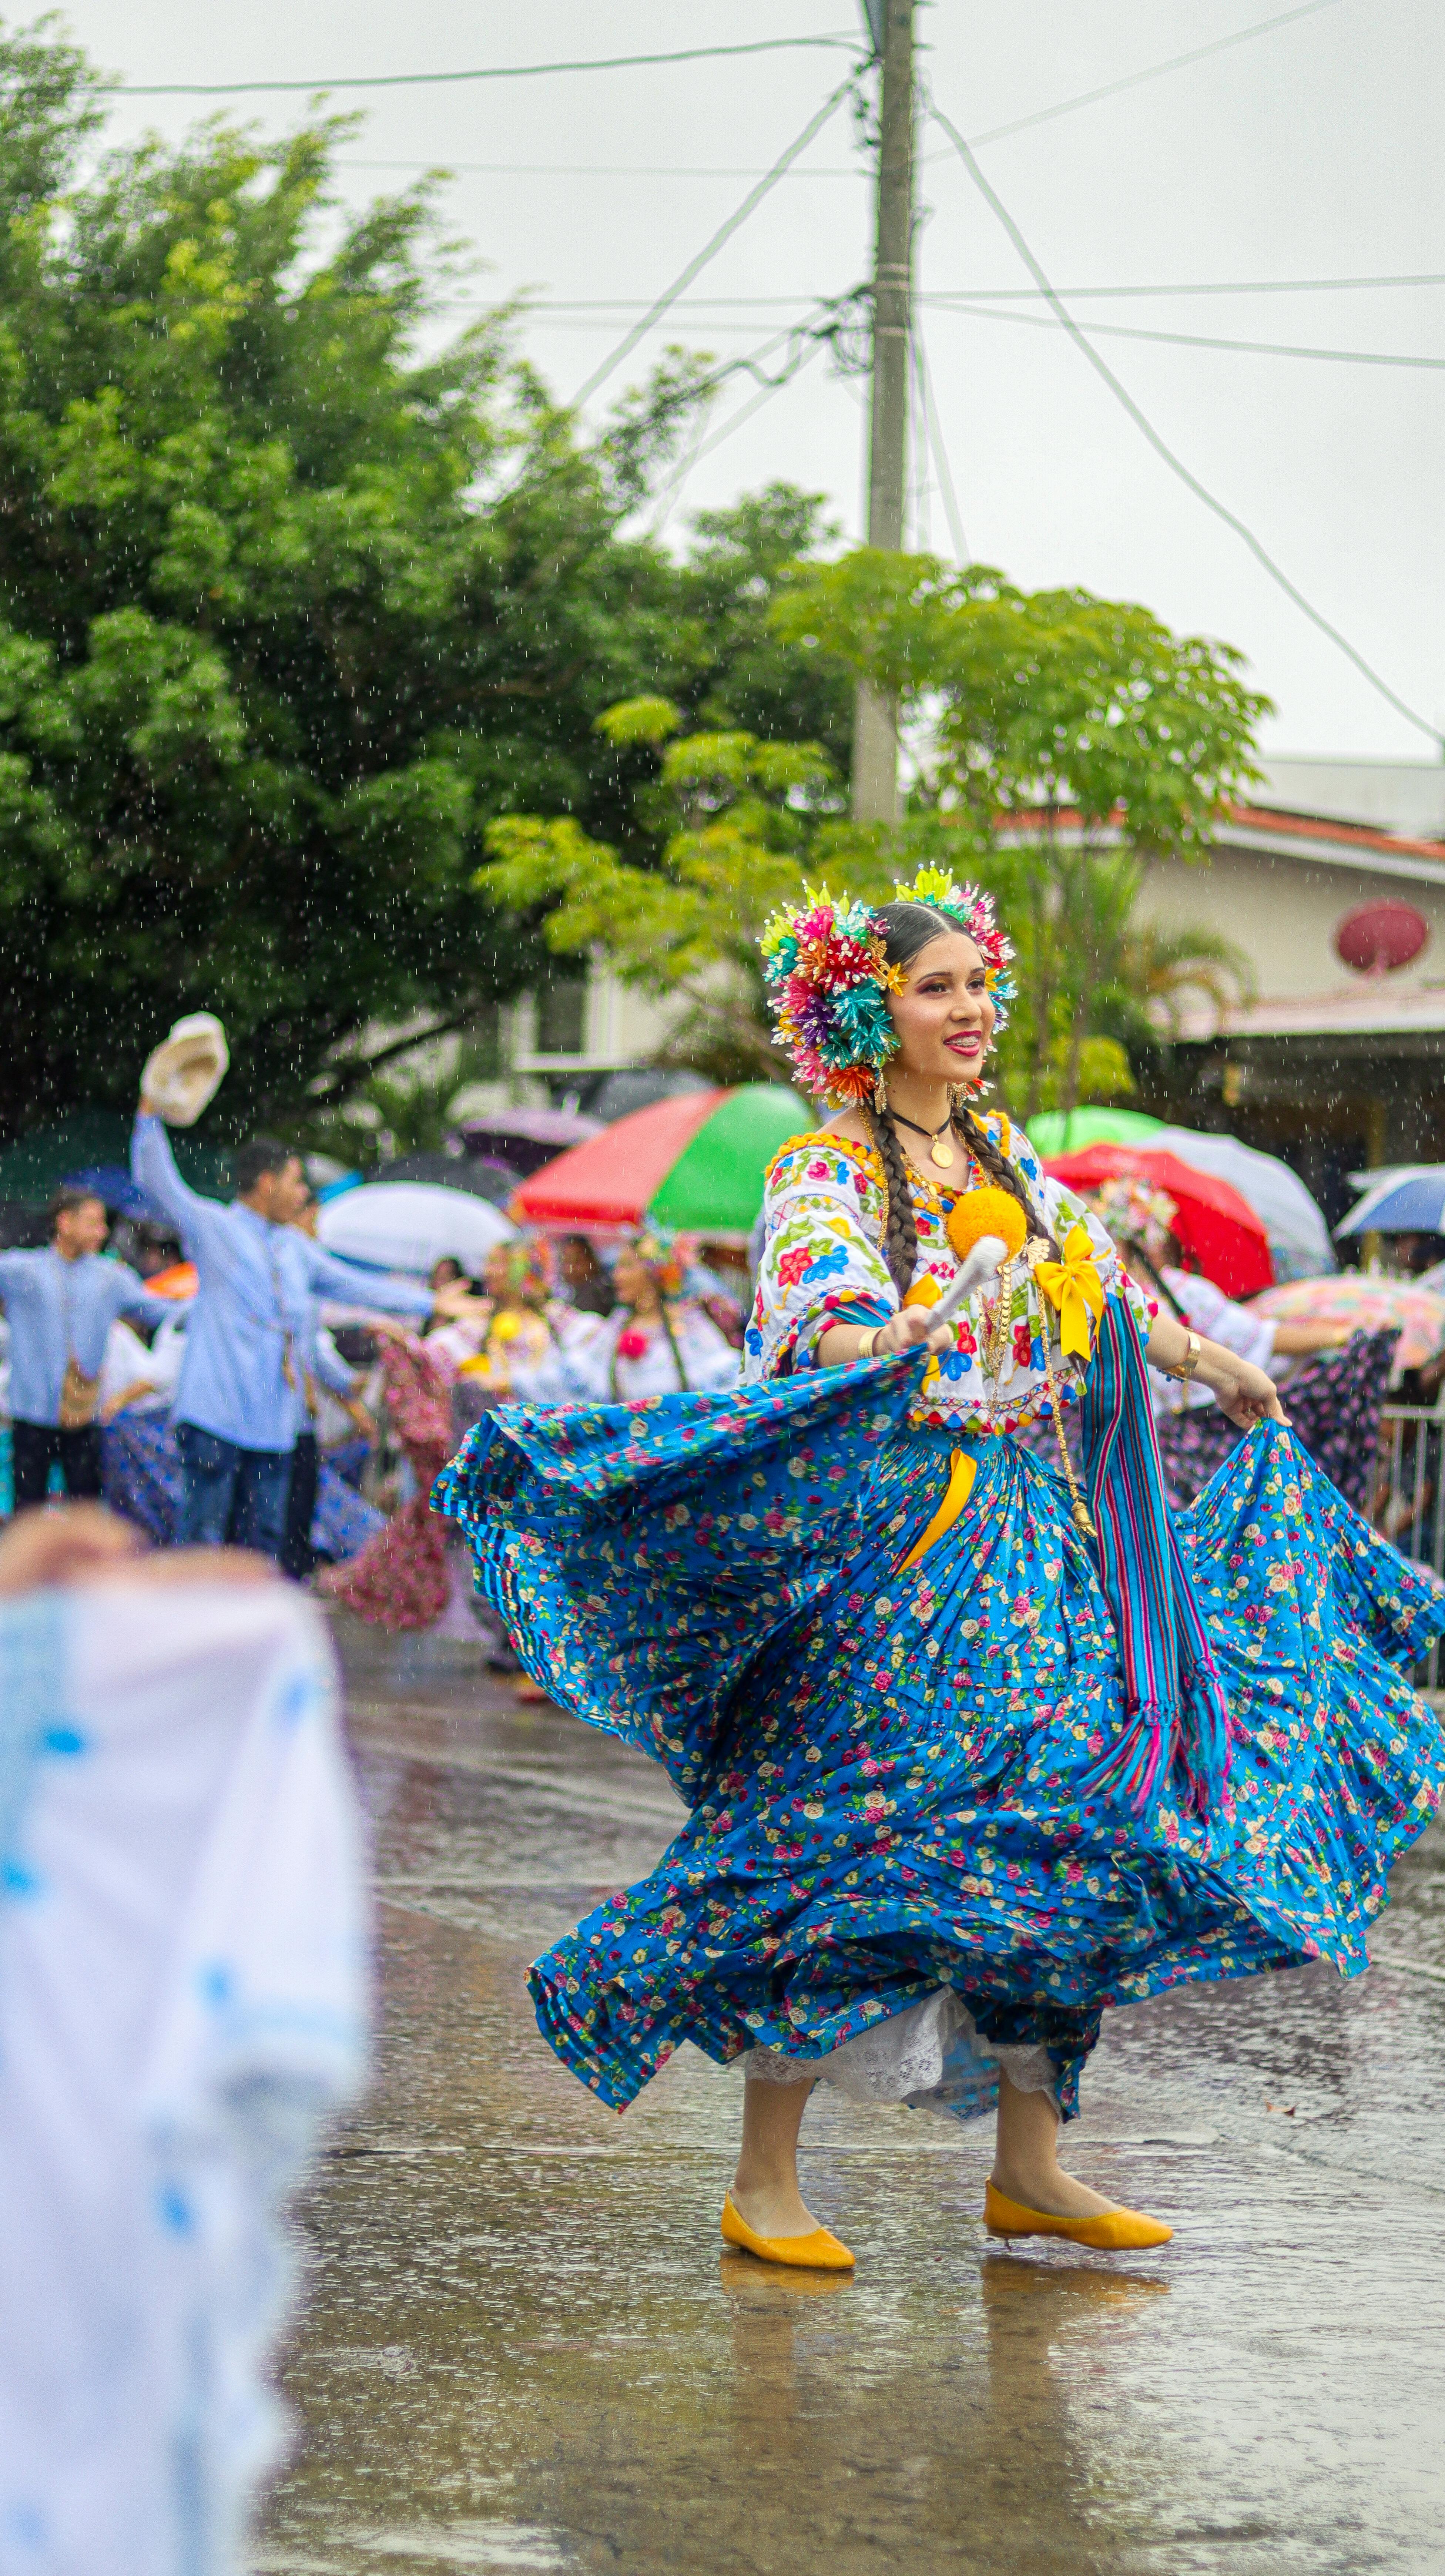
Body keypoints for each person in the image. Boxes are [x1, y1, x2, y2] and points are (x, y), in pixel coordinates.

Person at [436, 868, 1445, 2270]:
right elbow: (821, 1319)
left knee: (1080, 1824)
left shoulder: (1004, 1156)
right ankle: (764, 2176)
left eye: (977, 982)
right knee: (847, 1830)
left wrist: (1204, 1357)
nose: (968, 1008)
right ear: (866, 1007)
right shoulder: (826, 1167)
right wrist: (910, 1320)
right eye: (934, 987)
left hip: (1039, 1538)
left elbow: (1097, 1277)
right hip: (898, 1540)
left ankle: (1029, 2162)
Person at [131, 1107, 435, 1560]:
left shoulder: (295, 1248)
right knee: (204, 1539)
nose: (303, 1195)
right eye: (297, 1183)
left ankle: (253, 1630)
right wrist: (150, 1115)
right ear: (267, 1184)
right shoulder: (217, 1229)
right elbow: (159, 1180)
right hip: (216, 1418)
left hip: (274, 1426)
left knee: (263, 1545)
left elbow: (355, 1283)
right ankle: (195, 1629)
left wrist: (431, 1303)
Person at [0, 1188, 176, 1510]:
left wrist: (211, 1307)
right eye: (94, 1223)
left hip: (85, 1418)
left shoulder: (112, 1277)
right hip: (31, 1418)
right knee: (29, 1516)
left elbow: (160, 1312)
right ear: (65, 1222)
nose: (103, 1233)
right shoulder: (21, 1271)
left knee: (87, 1511)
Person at [558, 1227, 741, 1401]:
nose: (616, 1276)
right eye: (617, 1267)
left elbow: (722, 1382)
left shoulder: (690, 1324)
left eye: (627, 1266)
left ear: (655, 1272)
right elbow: (583, 1383)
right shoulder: (617, 1325)